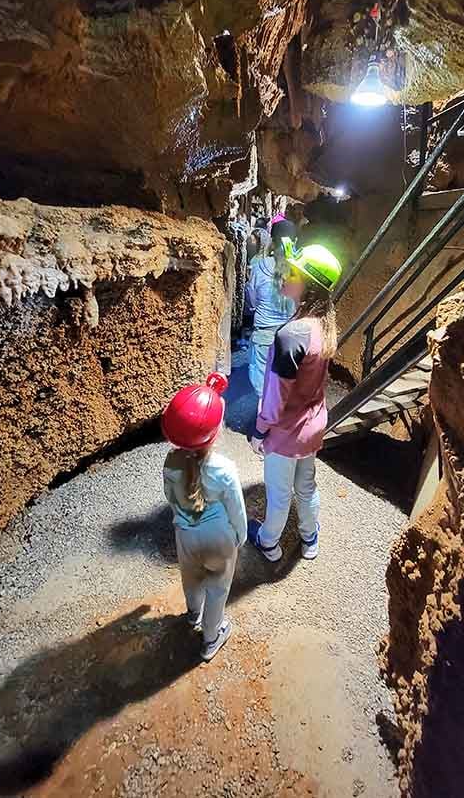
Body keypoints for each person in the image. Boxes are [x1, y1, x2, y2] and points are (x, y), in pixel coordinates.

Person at [246, 238, 342, 562]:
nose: (287, 275)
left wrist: (260, 430)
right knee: (306, 486)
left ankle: (269, 542)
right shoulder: (324, 326)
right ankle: (309, 537)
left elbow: (276, 397)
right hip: (313, 425)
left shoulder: (291, 335)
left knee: (279, 493)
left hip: (287, 431)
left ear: (309, 285)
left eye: (295, 273)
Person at [161, 372, 247, 661]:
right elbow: (236, 509)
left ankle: (192, 614)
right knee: (218, 589)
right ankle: (212, 639)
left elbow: (171, 499)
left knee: (192, 578)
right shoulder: (224, 469)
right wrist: (240, 536)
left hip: (185, 534)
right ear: (216, 431)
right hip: (219, 539)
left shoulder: (170, 463)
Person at [245, 220, 298, 404]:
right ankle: (278, 423)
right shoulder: (298, 268)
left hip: (264, 334)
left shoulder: (259, 265)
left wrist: (255, 309)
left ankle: (262, 428)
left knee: (262, 388)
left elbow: (251, 299)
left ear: (272, 242)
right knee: (283, 383)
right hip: (290, 334)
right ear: (295, 241)